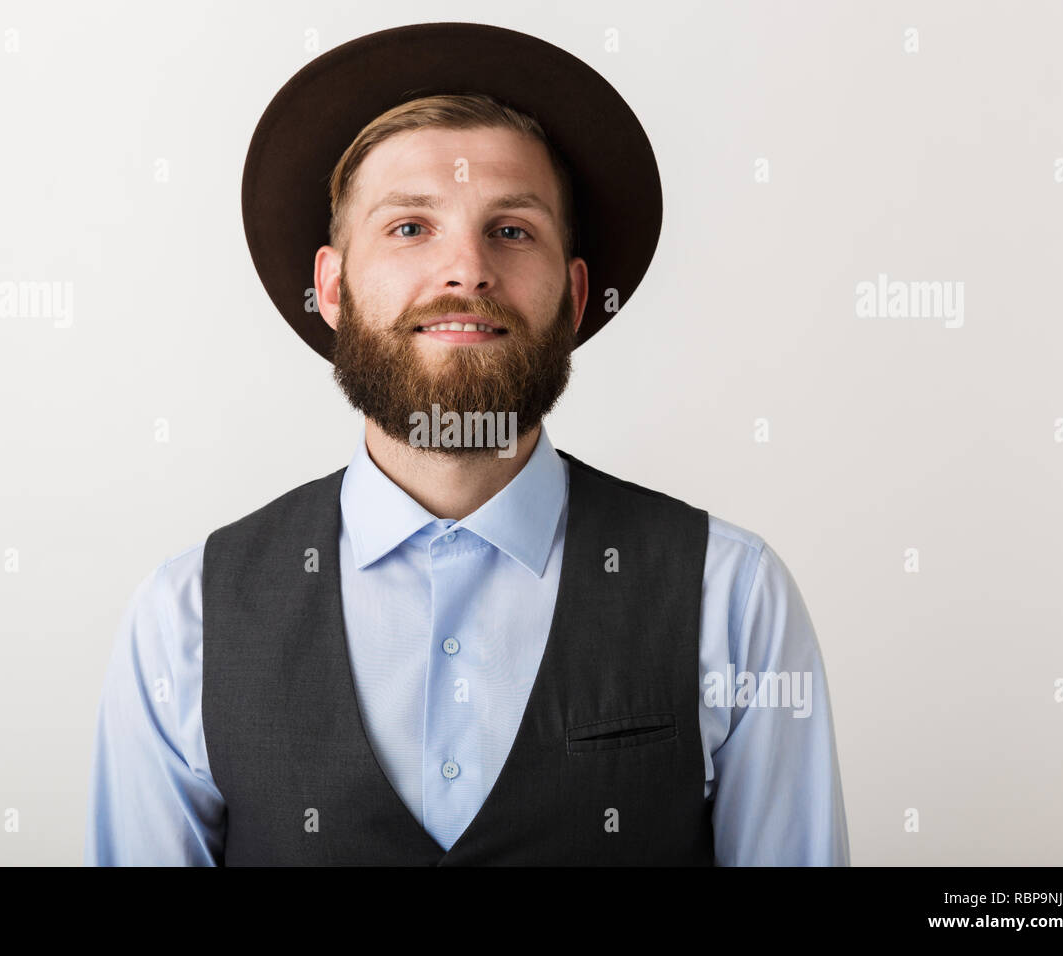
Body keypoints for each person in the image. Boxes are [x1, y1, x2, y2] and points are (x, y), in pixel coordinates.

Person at [85, 21, 849, 866]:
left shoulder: (732, 600)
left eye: (512, 230)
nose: (467, 271)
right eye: (410, 228)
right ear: (332, 289)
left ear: (573, 293)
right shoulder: (184, 622)